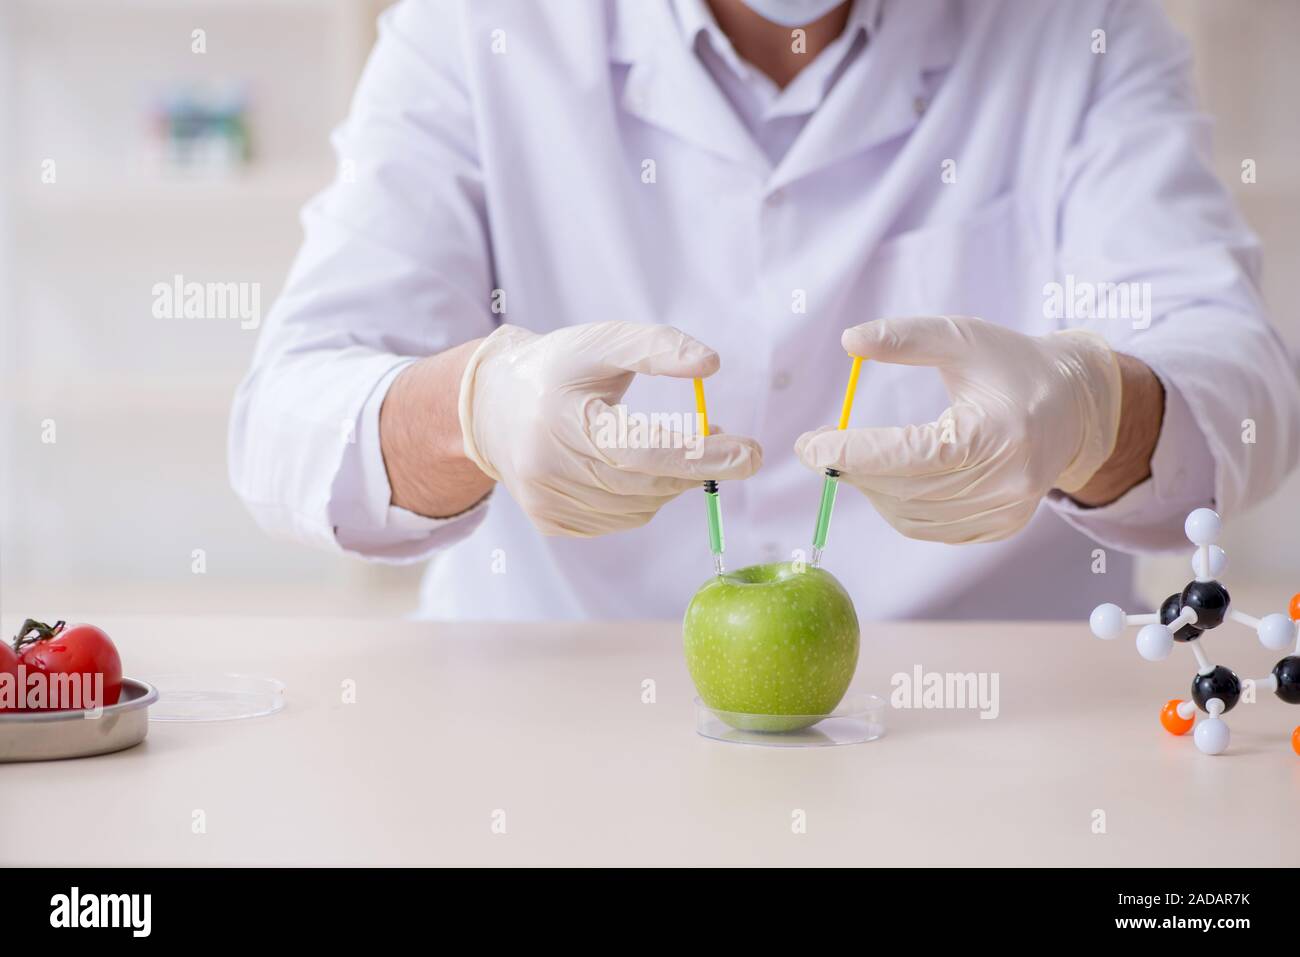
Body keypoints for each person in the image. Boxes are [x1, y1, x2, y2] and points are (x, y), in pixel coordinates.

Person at [229, 0, 1300, 620]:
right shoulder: (479, 30)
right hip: (548, 741)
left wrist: (1092, 409)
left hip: (995, 753)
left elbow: (1245, 391)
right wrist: (473, 409)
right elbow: (285, 416)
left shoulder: (1078, 28)